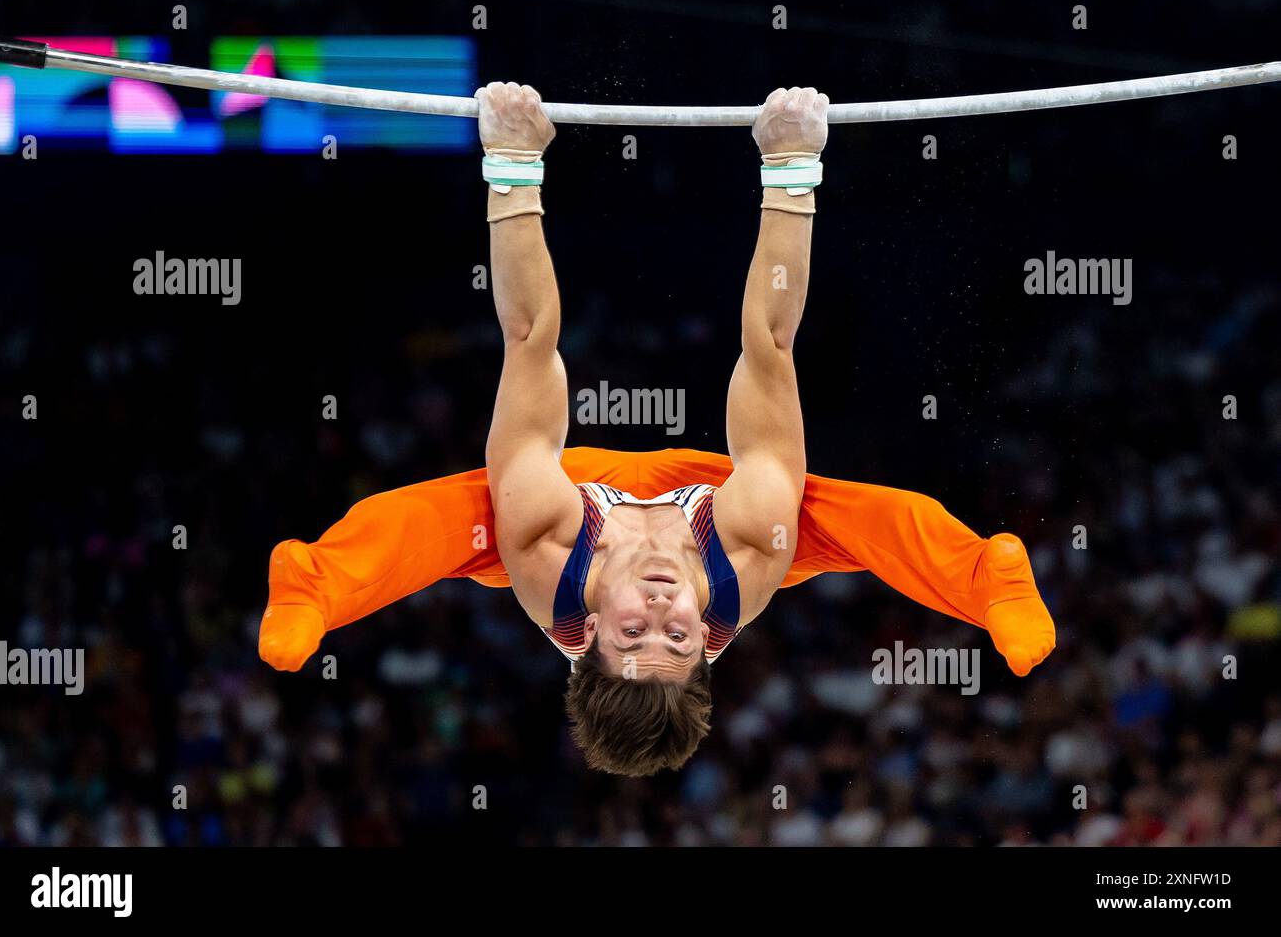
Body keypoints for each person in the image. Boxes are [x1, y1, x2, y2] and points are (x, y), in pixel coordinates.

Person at [259, 83, 1056, 777]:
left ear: (591, 629)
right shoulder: (746, 561)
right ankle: (988, 578)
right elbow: (770, 345)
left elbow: (530, 339)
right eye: (677, 636)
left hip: (583, 500)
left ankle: (315, 582)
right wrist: (791, 169)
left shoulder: (544, 556)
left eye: (636, 629)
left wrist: (511, 163)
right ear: (706, 644)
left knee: (455, 521)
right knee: (850, 515)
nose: (664, 608)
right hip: (710, 497)